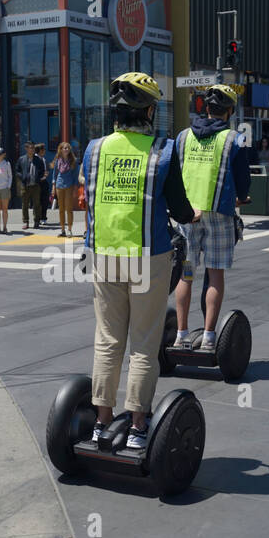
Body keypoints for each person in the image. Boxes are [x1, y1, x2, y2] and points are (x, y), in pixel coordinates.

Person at [84, 72, 200, 451]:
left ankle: (101, 424)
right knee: (144, 343)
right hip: (147, 256)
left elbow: (93, 200)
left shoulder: (95, 149)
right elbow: (180, 209)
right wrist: (192, 215)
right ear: (149, 110)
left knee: (107, 340)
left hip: (103, 254)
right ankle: (137, 427)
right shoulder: (163, 150)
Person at [170, 84, 250, 353]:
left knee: (187, 273)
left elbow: (175, 173)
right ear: (229, 111)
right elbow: (243, 181)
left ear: (204, 108)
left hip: (188, 216)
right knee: (215, 275)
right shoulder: (234, 139)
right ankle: (209, 337)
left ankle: (180, 335)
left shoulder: (182, 137)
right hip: (219, 215)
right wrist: (243, 196)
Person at [50, 141, 80, 237]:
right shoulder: (58, 160)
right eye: (64, 148)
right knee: (61, 209)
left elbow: (76, 176)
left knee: (69, 209)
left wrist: (76, 188)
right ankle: (62, 229)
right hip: (59, 185)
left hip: (69, 186)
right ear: (61, 149)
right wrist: (53, 187)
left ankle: (69, 229)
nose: (66, 149)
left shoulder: (73, 161)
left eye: (67, 148)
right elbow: (54, 175)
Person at [17, 142, 47, 229]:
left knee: (37, 204)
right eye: (31, 148)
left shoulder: (38, 160)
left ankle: (36, 221)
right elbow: (17, 170)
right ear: (26, 149)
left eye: (33, 148)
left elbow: (42, 170)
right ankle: (26, 222)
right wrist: (22, 177)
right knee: (25, 204)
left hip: (36, 185)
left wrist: (39, 177)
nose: (32, 150)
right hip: (25, 185)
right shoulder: (22, 159)